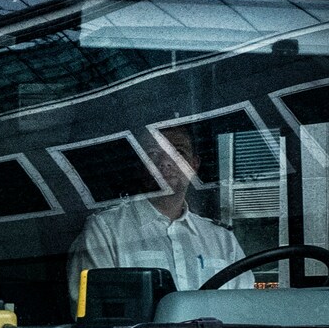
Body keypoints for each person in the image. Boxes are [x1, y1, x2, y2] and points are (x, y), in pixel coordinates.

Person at [68, 124, 249, 299]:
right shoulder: (105, 231)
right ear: (140, 164)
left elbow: (242, 312)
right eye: (153, 153)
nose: (165, 162)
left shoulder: (222, 240)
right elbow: (97, 316)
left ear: (194, 165)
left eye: (178, 152)